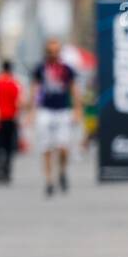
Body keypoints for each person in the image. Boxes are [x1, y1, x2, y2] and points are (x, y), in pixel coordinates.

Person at [29, 37, 81, 198]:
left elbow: (73, 89)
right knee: (46, 148)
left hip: (63, 110)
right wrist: (32, 110)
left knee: (63, 147)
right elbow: (35, 89)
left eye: (56, 51)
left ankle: (62, 172)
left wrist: (78, 109)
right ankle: (49, 180)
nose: (53, 54)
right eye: (50, 51)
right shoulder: (40, 68)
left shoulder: (67, 69)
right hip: (45, 110)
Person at [0, 61, 22, 184]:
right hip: (10, 118)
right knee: (9, 147)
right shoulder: (14, 83)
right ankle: (7, 171)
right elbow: (19, 102)